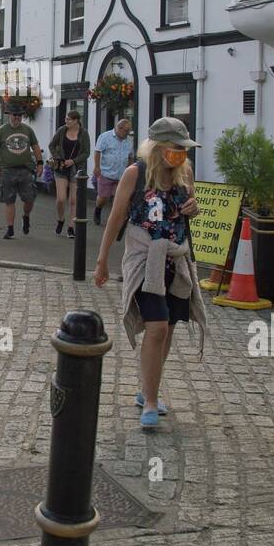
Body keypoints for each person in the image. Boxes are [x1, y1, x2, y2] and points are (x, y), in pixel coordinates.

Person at [94, 117, 206, 430]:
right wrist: (102, 261)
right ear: (158, 147)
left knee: (167, 330)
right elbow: (116, 216)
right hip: (145, 260)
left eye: (184, 149)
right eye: (176, 148)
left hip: (176, 259)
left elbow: (189, 207)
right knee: (156, 328)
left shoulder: (186, 171)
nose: (181, 154)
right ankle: (152, 401)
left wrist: (194, 208)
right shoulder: (136, 174)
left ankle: (147, 389)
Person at [0, 104, 43, 240]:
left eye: (20, 115)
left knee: (30, 198)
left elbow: (36, 147)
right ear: (9, 116)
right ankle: (10, 229)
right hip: (7, 170)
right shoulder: (1, 131)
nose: (17, 118)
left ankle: (26, 216)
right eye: (15, 115)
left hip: (25, 169)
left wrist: (40, 164)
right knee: (9, 200)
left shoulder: (28, 130)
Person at [48, 110, 91, 238]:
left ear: (76, 121)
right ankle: (61, 219)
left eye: (69, 120)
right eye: (66, 119)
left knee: (74, 200)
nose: (66, 121)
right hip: (61, 168)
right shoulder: (62, 130)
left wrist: (73, 161)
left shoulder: (84, 134)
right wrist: (58, 158)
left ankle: (71, 227)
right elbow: (51, 145)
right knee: (61, 199)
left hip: (77, 169)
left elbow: (86, 153)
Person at [93, 118, 135, 227]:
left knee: (119, 198)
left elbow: (131, 156)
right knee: (103, 197)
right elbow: (98, 151)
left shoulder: (128, 141)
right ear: (119, 128)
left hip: (121, 175)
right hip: (106, 172)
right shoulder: (105, 137)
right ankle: (98, 209)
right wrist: (97, 167)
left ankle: (115, 220)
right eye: (126, 131)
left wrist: (130, 169)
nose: (128, 133)